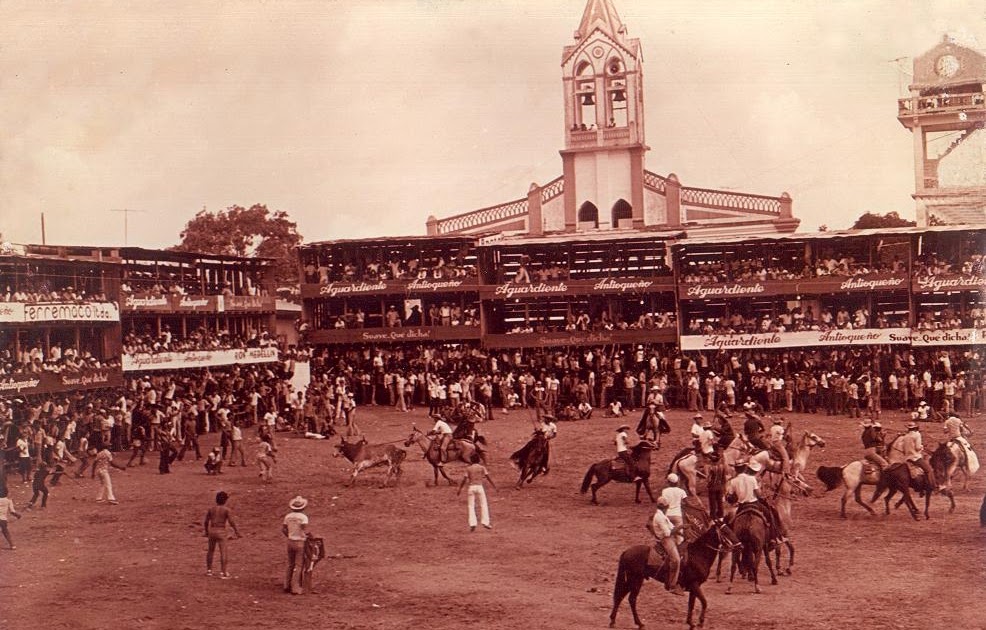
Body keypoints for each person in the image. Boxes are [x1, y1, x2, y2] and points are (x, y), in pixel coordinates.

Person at [646, 497, 685, 596]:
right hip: (666, 540)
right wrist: (680, 528)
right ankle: (672, 585)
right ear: (665, 507)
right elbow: (667, 533)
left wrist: (682, 533)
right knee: (676, 560)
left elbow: (672, 528)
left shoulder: (663, 515)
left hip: (670, 537)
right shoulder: (659, 517)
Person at [204, 491, 241, 578]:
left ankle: (209, 570)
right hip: (221, 531)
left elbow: (206, 521)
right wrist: (237, 532)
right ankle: (223, 572)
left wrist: (206, 531)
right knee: (223, 552)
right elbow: (231, 522)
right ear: (225, 500)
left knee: (210, 551)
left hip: (212, 530)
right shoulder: (226, 510)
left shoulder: (211, 509)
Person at [457, 452, 496, 531]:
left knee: (471, 506)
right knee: (483, 504)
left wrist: (460, 489)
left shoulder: (469, 468)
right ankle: (485, 522)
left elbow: (464, 480)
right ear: (478, 460)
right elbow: (488, 477)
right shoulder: (482, 468)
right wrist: (494, 486)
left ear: (471, 460)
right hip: (479, 486)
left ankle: (473, 523)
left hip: (471, 487)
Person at [282, 496, 310, 594]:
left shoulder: (288, 516)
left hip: (290, 541)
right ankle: (295, 587)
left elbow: (284, 529)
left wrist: (289, 535)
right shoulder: (303, 517)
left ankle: (286, 584)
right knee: (299, 565)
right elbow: (304, 529)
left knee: (290, 564)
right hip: (300, 541)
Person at [900, 422, 936, 486]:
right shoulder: (917, 435)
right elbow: (917, 447)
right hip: (915, 458)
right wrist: (922, 446)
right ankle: (933, 486)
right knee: (929, 470)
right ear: (915, 428)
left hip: (907, 458)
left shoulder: (905, 437)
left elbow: (903, 448)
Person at [661, 474, 688, 545]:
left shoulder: (664, 491)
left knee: (668, 534)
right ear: (677, 482)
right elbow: (687, 503)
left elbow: (664, 503)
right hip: (677, 515)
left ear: (668, 482)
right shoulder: (681, 491)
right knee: (679, 537)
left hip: (667, 515)